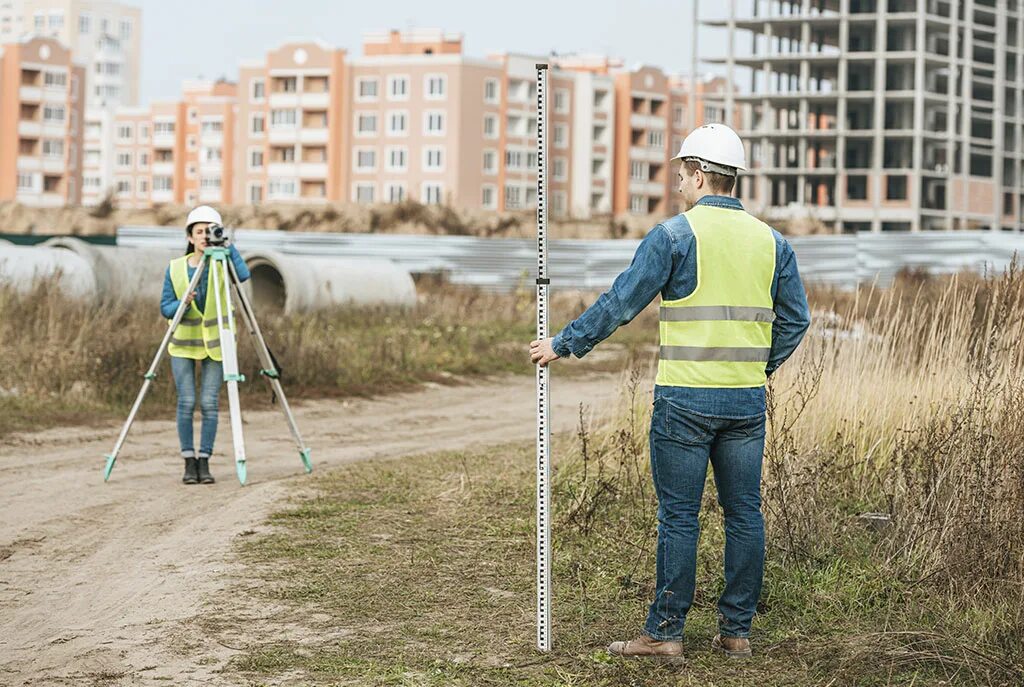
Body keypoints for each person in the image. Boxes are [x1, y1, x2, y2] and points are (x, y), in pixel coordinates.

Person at [529, 123, 811, 660]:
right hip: (746, 401)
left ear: (701, 174)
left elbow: (620, 302)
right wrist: (759, 365)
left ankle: (665, 634)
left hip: (684, 401)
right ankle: (736, 633)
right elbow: (797, 321)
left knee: (680, 515)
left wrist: (562, 344)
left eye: (682, 174)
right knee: (744, 513)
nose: (679, 184)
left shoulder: (675, 236)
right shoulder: (773, 243)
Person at [160, 205, 250, 485]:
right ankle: (189, 461)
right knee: (186, 402)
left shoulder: (222, 264)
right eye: (199, 231)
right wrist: (182, 304)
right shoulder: (175, 268)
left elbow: (243, 275)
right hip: (183, 344)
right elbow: (165, 308)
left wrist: (227, 246)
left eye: (210, 231)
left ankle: (205, 461)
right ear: (189, 237)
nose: (204, 236)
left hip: (215, 343)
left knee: (210, 403)